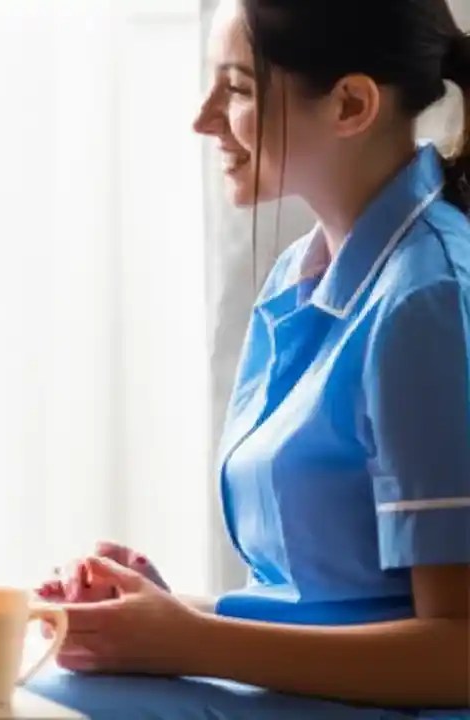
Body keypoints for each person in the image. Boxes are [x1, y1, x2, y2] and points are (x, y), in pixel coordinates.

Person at [30, 0, 470, 718]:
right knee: (31, 682)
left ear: (351, 104)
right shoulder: (306, 275)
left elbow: (459, 653)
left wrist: (192, 641)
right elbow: (323, 607)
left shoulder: (427, 302)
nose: (204, 119)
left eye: (235, 89)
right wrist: (154, 616)